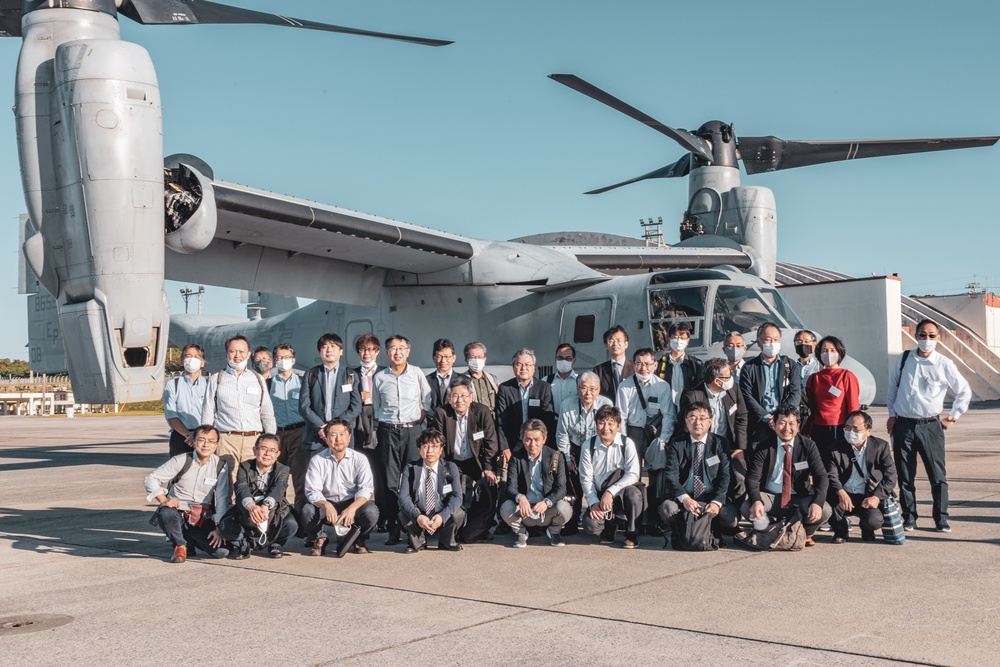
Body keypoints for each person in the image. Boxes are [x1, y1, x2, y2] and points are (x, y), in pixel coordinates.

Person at [886, 319, 971, 532]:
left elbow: (964, 391)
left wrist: (952, 417)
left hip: (930, 426)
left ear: (938, 338)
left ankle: (941, 518)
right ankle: (910, 517)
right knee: (905, 475)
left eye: (931, 335)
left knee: (937, 476)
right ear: (916, 336)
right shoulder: (905, 358)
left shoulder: (944, 363)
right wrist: (891, 414)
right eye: (922, 335)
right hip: (903, 425)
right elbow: (893, 387)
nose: (926, 339)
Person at [372, 334, 432, 545]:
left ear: (408, 351)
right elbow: (377, 407)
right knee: (389, 482)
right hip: (388, 432)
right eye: (392, 348)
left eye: (401, 348)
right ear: (387, 352)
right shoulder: (379, 377)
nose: (397, 352)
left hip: (412, 432)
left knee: (414, 480)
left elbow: (427, 401)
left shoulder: (416, 374)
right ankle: (392, 528)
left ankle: (413, 528)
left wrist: (418, 420)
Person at [744, 405, 832, 545]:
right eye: (782, 423)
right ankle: (772, 531)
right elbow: (752, 478)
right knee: (747, 507)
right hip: (771, 497)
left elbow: (821, 476)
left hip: (798, 497)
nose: (786, 428)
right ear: (774, 425)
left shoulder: (808, 446)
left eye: (791, 423)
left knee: (825, 510)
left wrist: (817, 502)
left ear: (798, 425)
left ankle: (804, 533)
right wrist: (756, 500)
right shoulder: (763, 446)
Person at [144, 425, 231, 563]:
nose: (206, 444)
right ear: (194, 441)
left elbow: (222, 498)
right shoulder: (181, 460)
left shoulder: (220, 465)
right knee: (165, 512)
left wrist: (218, 527)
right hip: (178, 511)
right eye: (201, 440)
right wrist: (163, 500)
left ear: (216, 444)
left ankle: (189, 538)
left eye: (211, 441)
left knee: (222, 551)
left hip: (201, 516)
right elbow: (151, 479)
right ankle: (180, 545)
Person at [298, 334, 362, 513]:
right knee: (313, 483)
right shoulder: (311, 374)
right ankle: (317, 533)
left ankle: (348, 525)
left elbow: (355, 406)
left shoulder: (351, 374)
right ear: (320, 352)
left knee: (347, 482)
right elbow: (304, 406)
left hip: (342, 437)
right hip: (315, 436)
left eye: (333, 346)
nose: (329, 350)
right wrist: (322, 427)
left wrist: (335, 429)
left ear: (341, 351)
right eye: (324, 346)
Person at [431, 375, 499, 541]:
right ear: (449, 398)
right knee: (456, 492)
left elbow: (491, 442)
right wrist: (442, 468)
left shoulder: (481, 411)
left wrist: (488, 469)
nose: (459, 400)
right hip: (452, 461)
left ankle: (482, 527)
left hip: (476, 461)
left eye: (463, 395)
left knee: (489, 488)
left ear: (471, 397)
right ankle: (453, 526)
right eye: (454, 396)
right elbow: (437, 444)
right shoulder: (441, 413)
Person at [658, 402, 737, 542]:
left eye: (702, 418)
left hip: (711, 496)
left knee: (730, 518)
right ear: (686, 422)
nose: (697, 422)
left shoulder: (720, 443)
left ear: (710, 422)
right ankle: (683, 529)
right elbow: (671, 476)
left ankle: (711, 530)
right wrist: (685, 499)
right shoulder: (677, 443)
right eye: (692, 418)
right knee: (667, 509)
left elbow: (726, 476)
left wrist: (716, 502)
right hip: (687, 497)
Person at [202, 335, 276, 480]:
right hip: (226, 439)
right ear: (226, 354)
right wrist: (206, 439)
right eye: (232, 351)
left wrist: (271, 438)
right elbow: (208, 411)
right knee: (227, 481)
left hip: (253, 440)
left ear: (248, 355)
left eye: (242, 352)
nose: (237, 356)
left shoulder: (257, 379)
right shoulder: (216, 379)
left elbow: (266, 412)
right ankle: (226, 504)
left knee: (251, 481)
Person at [301, 419, 380, 557]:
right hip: (326, 504)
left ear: (349, 437)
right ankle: (320, 538)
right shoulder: (317, 460)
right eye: (333, 435)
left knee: (371, 511)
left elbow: (366, 489)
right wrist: (326, 504)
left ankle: (358, 538)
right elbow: (312, 490)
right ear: (326, 438)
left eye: (342, 434)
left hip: (351, 503)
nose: (338, 439)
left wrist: (352, 508)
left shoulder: (360, 459)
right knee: (307, 510)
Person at [680, 357, 748, 501]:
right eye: (728, 375)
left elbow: (742, 418)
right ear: (717, 381)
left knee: (739, 478)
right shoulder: (692, 396)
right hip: (702, 448)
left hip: (727, 448)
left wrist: (740, 448)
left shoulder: (733, 390)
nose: (732, 378)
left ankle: (731, 512)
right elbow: (687, 428)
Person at [826, 410, 897, 543]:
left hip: (868, 494)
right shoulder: (835, 448)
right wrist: (840, 492)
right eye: (847, 427)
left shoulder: (880, 447)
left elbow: (891, 475)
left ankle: (867, 529)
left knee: (873, 521)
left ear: (868, 431)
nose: (851, 432)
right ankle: (841, 531)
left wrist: (876, 497)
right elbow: (831, 475)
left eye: (856, 429)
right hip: (844, 493)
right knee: (829, 505)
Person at [579, 405, 644, 548]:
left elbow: (633, 474)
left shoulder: (627, 443)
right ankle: (609, 526)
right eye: (601, 423)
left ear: (618, 426)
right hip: (600, 494)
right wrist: (593, 502)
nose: (605, 428)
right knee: (591, 525)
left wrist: (611, 492)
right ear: (596, 424)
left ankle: (632, 532)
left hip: (622, 493)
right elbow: (586, 478)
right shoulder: (587, 446)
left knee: (634, 494)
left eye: (610, 423)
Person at [555, 372, 612, 536]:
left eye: (593, 389)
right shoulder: (567, 405)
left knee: (597, 483)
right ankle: (571, 522)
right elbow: (562, 434)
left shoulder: (605, 404)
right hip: (574, 449)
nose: (588, 393)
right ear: (577, 388)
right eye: (584, 388)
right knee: (572, 488)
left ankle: (604, 520)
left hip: (597, 449)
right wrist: (566, 458)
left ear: (599, 389)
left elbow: (610, 431)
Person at [225, 434, 297, 559]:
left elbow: (279, 488)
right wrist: (251, 506)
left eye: (272, 450)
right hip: (247, 511)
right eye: (263, 448)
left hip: (273, 511)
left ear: (278, 454)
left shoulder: (283, 469)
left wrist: (266, 505)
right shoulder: (245, 466)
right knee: (225, 526)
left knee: (291, 524)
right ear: (255, 450)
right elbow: (241, 487)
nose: (267, 453)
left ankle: (274, 544)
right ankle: (244, 544)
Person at [501, 419, 571, 548]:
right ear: (522, 439)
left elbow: (561, 488)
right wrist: (520, 498)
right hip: (525, 510)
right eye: (528, 439)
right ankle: (521, 533)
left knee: (565, 508)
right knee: (506, 508)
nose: (532, 444)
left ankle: (554, 531)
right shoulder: (516, 457)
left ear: (544, 439)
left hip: (547, 509)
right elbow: (510, 487)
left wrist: (547, 502)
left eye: (537, 439)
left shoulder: (556, 456)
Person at [398, 428, 465, 553]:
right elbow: (403, 497)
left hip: (441, 512)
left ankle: (447, 542)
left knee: (458, 513)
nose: (430, 451)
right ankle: (418, 543)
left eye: (434, 446)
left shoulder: (451, 467)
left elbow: (457, 496)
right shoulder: (410, 468)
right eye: (425, 446)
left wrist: (442, 516)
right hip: (420, 513)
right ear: (419, 449)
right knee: (403, 513)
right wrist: (418, 516)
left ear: (441, 450)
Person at [739, 322, 801, 455]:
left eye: (776, 340)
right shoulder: (749, 367)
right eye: (767, 340)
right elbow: (747, 396)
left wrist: (782, 417)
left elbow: (795, 392)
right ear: (759, 342)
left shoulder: (790, 365)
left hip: (785, 425)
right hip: (760, 424)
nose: (772, 343)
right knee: (759, 464)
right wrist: (767, 417)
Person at [804, 335, 860, 455]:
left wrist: (853, 430)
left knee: (839, 465)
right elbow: (810, 406)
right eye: (824, 350)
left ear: (840, 352)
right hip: (818, 429)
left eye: (832, 350)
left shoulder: (847, 376)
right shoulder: (814, 378)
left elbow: (853, 406)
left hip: (840, 428)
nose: (828, 354)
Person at [495, 349, 556, 455]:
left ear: (534, 368)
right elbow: (501, 421)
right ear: (514, 368)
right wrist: (504, 448)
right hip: (513, 443)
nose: (524, 368)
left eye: (528, 365)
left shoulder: (544, 387)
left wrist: (545, 444)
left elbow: (548, 419)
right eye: (519, 364)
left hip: (537, 442)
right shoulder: (505, 388)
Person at [353, 333, 386, 531]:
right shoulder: (350, 373)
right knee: (360, 473)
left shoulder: (385, 372)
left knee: (380, 473)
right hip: (358, 425)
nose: (367, 353)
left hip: (380, 425)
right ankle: (360, 514)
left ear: (377, 352)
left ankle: (382, 517)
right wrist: (358, 396)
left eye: (371, 349)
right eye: (363, 349)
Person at [268, 343, 304, 503]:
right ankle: (278, 513)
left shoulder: (303, 382)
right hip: (276, 434)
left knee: (300, 477)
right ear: (274, 361)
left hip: (299, 432)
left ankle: (302, 518)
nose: (283, 361)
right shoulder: (268, 383)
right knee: (275, 477)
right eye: (279, 358)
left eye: (287, 357)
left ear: (294, 360)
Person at [162, 343, 208, 456]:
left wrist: (198, 435)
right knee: (181, 471)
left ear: (202, 363)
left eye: (196, 357)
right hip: (181, 437)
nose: (192, 359)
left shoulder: (209, 385)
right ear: (182, 362)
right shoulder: (172, 385)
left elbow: (215, 414)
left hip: (205, 436)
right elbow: (171, 415)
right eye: (188, 356)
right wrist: (188, 435)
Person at [655, 322, 704, 410]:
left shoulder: (696, 365)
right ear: (669, 339)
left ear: (688, 340)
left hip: (689, 410)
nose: (678, 341)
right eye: (675, 337)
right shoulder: (660, 364)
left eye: (682, 338)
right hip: (666, 410)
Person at [594, 325, 634, 401]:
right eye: (611, 341)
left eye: (619, 340)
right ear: (606, 345)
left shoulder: (634, 367)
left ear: (626, 344)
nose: (615, 344)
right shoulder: (598, 370)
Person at [463, 341, 499, 413]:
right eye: (473, 357)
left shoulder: (493, 379)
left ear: (484, 359)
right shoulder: (461, 380)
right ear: (466, 360)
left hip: (492, 421)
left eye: (479, 357)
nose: (477, 360)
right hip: (473, 420)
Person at [546, 343, 579, 415]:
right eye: (560, 358)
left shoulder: (580, 381)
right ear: (555, 359)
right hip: (551, 424)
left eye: (568, 358)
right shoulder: (545, 381)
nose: (564, 361)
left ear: (574, 360)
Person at [427, 338, 457, 412]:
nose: (443, 361)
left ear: (453, 358)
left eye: (447, 357)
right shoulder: (426, 380)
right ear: (433, 358)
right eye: (439, 356)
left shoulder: (463, 380)